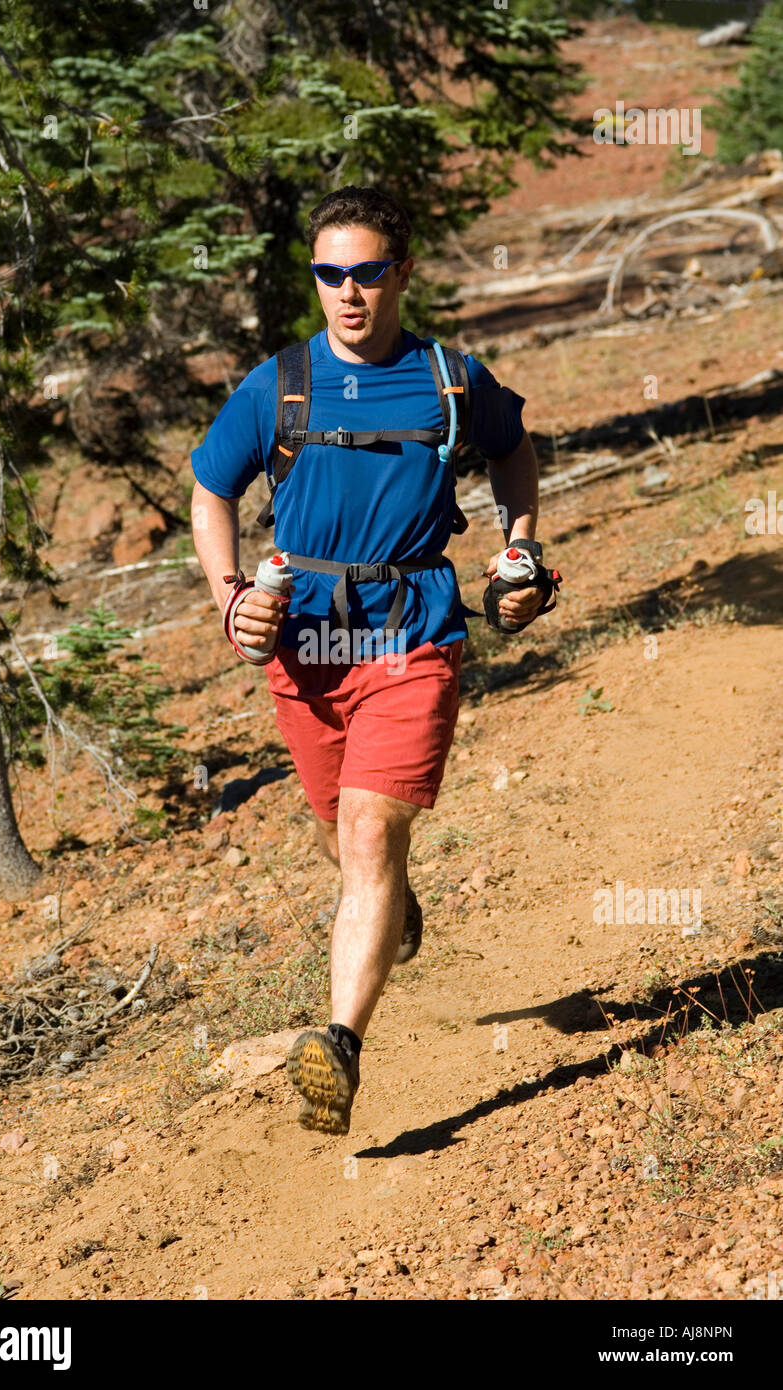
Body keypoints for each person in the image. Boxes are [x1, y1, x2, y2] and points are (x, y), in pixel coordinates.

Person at [191, 186, 547, 1136]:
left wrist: (519, 549)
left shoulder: (449, 377)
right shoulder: (280, 383)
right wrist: (230, 597)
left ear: (402, 272)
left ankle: (339, 1042)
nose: (346, 293)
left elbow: (513, 451)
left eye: (366, 272)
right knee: (338, 833)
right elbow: (208, 489)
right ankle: (389, 908)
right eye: (328, 274)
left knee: (366, 835)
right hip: (303, 646)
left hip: (412, 632)